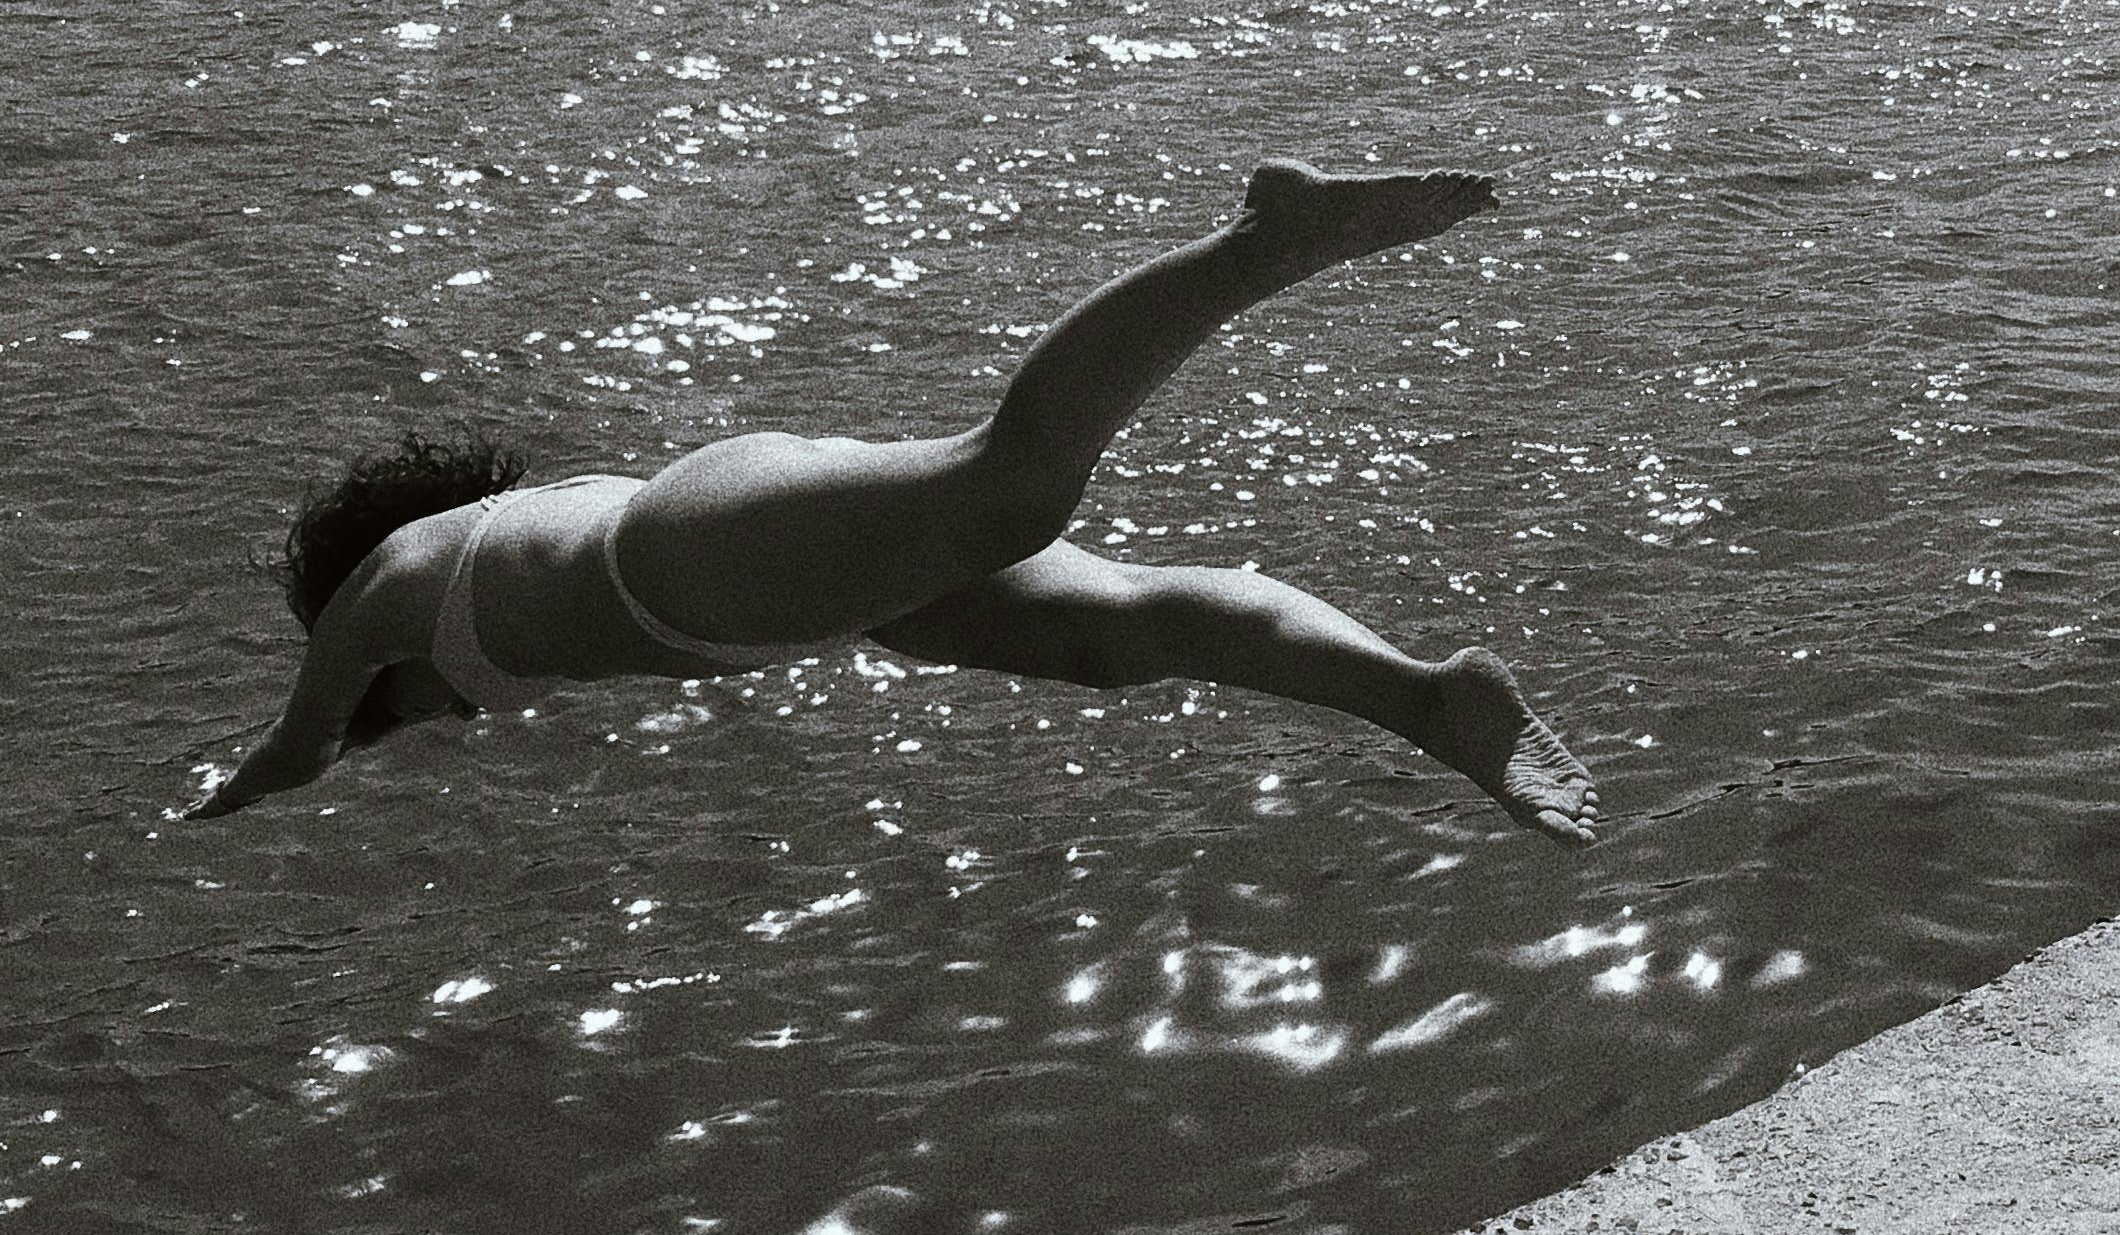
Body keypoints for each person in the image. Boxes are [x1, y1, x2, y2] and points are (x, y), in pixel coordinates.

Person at [192, 163, 1596, 840]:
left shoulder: (397, 586)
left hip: (678, 556)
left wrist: (246, 779)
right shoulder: (451, 592)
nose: (448, 719)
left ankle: (1265, 241)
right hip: (752, 595)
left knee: (1010, 489)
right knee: (1110, 636)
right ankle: (1426, 698)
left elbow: (317, 705)